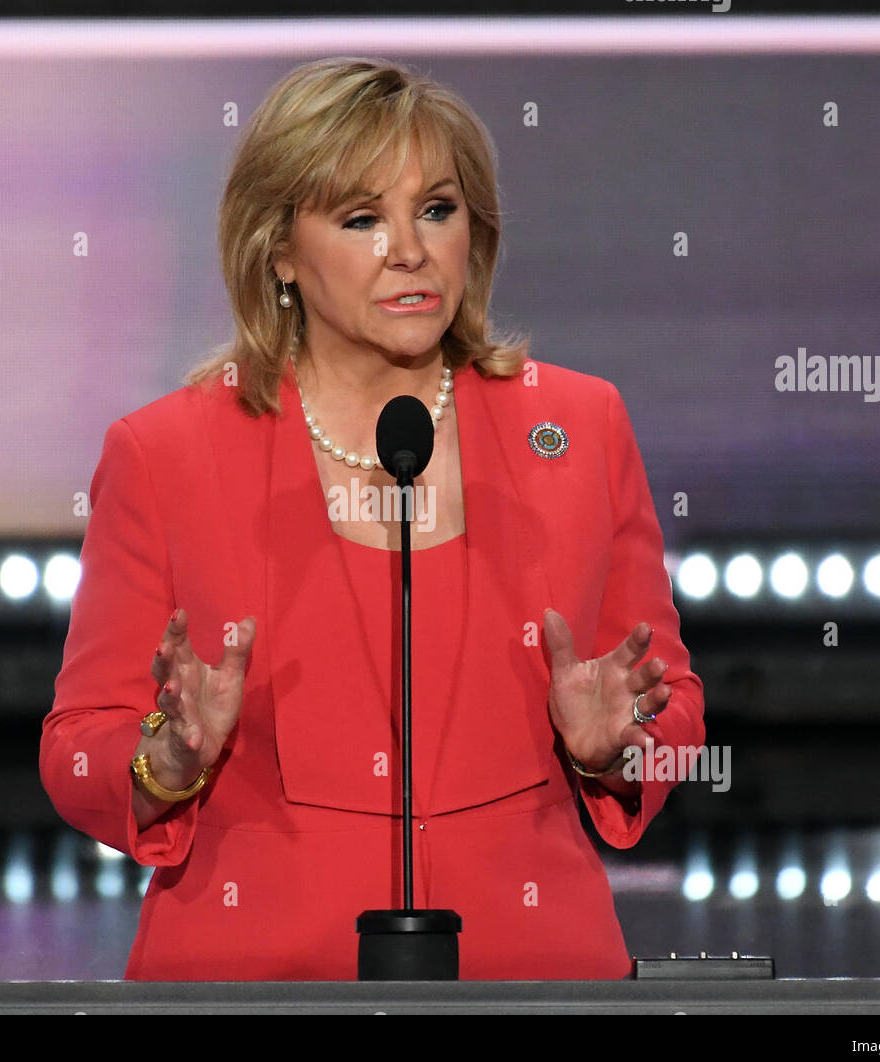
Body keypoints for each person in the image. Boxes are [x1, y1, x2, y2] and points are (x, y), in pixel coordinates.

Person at [39, 56, 706, 981]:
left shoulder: (578, 427)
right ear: (278, 249)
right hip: (253, 988)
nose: (410, 250)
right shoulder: (167, 454)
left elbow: (673, 710)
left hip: (535, 980)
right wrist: (168, 759)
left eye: (437, 209)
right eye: (362, 220)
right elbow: (76, 754)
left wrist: (620, 751)